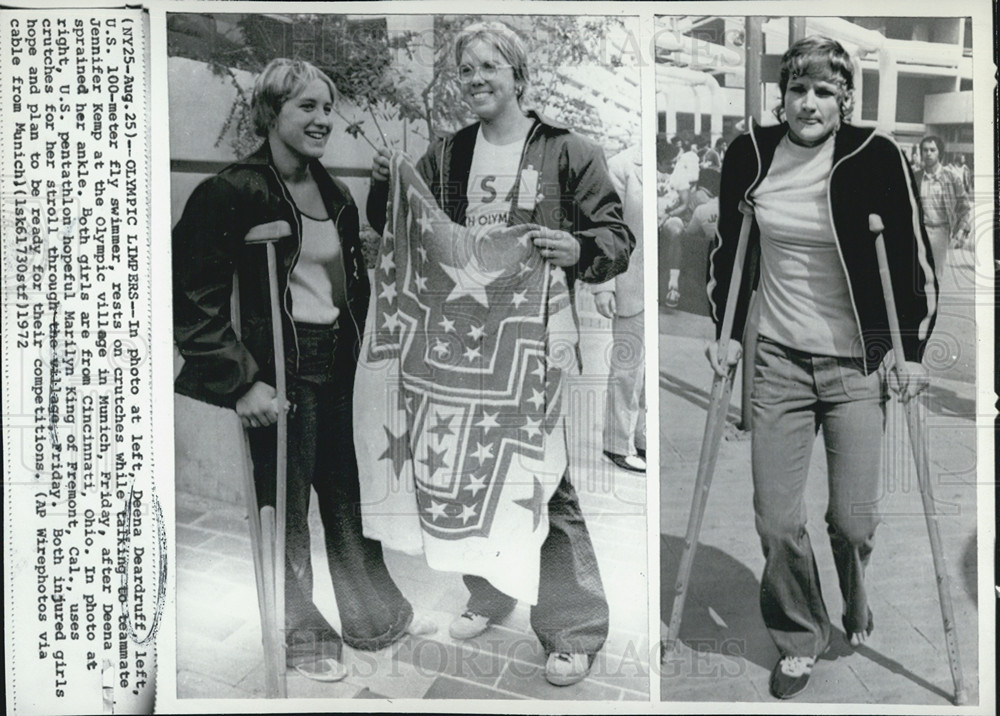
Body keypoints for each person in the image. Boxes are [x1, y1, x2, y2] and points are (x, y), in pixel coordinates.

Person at [367, 21, 633, 686]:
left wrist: (580, 248)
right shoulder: (448, 154)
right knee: (461, 464)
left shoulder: (568, 150)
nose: (478, 79)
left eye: (491, 67)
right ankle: (489, 593)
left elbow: (616, 235)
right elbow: (400, 222)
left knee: (546, 477)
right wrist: (386, 183)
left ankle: (574, 627)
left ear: (518, 76)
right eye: (468, 70)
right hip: (455, 342)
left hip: (534, 340)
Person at [173, 58, 431, 684]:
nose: (321, 120)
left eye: (326, 108)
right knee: (285, 510)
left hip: (339, 365)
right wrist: (240, 382)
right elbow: (193, 299)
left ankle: (372, 617)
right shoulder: (231, 191)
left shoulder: (334, 193)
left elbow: (354, 280)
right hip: (279, 371)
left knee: (349, 495)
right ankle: (302, 637)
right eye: (305, 108)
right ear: (271, 114)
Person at [706, 36, 937, 700]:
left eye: (824, 91)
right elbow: (728, 251)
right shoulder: (750, 152)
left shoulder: (876, 156)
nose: (808, 103)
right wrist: (723, 332)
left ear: (845, 100)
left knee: (854, 521)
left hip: (856, 365)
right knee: (777, 519)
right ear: (783, 95)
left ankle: (855, 595)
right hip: (777, 359)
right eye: (798, 89)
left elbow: (913, 263)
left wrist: (912, 355)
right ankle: (800, 635)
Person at [593, 145, 646, 473]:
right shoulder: (621, 166)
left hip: (653, 283)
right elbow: (604, 230)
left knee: (647, 372)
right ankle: (617, 443)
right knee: (628, 368)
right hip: (630, 282)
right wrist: (603, 286)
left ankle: (641, 439)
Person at [915, 135, 971, 265]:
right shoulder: (915, 177)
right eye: (925, 150)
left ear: (940, 153)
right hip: (919, 232)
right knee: (916, 274)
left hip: (941, 232)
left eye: (932, 150)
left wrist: (961, 230)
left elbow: (964, 207)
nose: (928, 153)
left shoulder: (952, 178)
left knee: (935, 276)